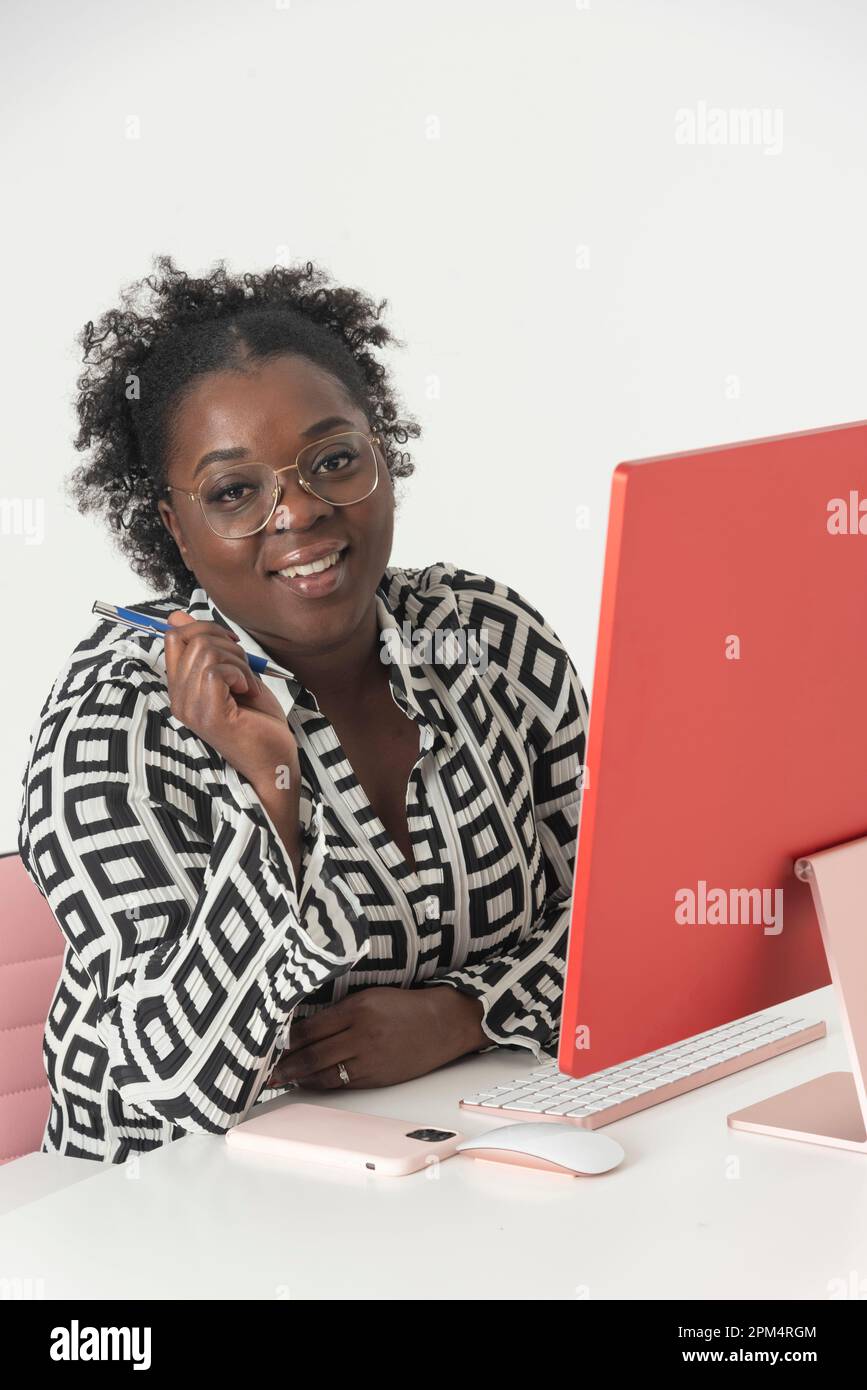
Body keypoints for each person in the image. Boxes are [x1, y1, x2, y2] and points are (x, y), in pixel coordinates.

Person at [17, 255, 589, 1163]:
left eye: (332, 460)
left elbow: (621, 924)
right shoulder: (116, 724)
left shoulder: (483, 637)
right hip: (176, 1206)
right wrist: (274, 800)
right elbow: (165, 1087)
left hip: (458, 1149)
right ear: (173, 526)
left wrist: (465, 1012)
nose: (299, 514)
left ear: (382, 454)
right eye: (234, 491)